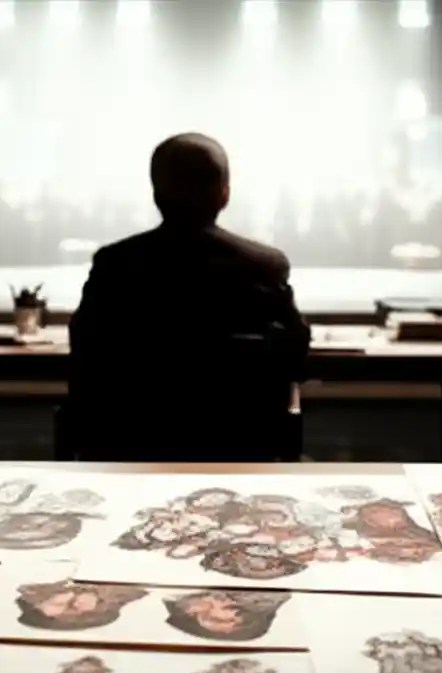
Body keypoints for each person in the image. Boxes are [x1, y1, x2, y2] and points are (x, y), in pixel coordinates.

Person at [68, 133, 310, 461]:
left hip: (131, 454)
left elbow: (85, 355)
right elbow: (295, 356)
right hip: (241, 454)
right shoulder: (265, 266)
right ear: (224, 194)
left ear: (156, 194)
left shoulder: (114, 264)